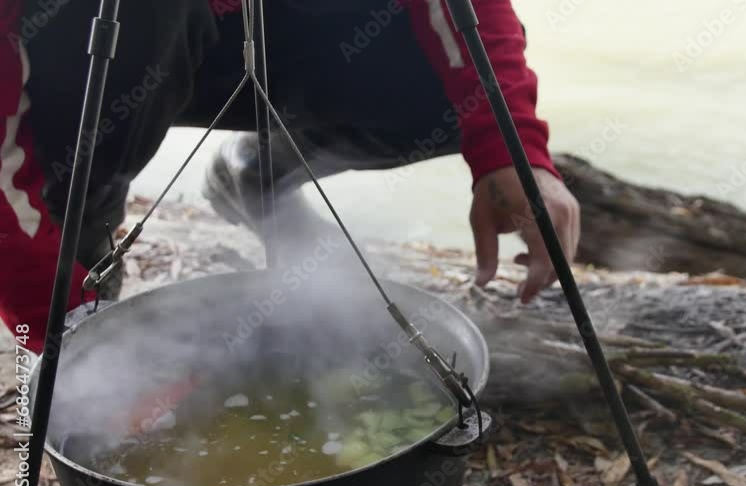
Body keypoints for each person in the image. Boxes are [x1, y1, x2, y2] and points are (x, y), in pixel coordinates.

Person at [0, 0, 581, 354]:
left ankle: (258, 174)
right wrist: (57, 315)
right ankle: (82, 239)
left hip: (281, 30)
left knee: (442, 92)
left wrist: (512, 147)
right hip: (109, 41)